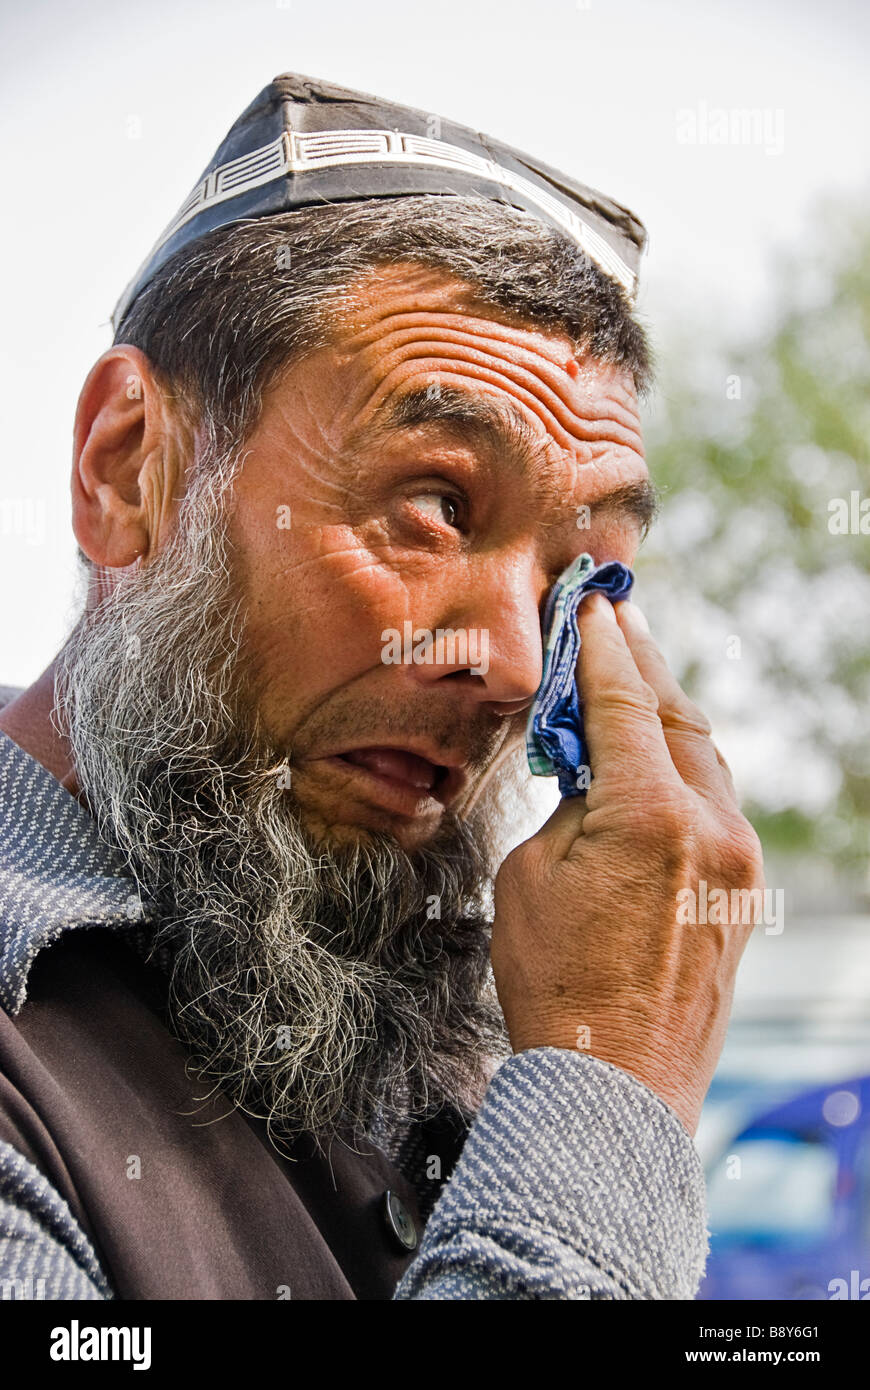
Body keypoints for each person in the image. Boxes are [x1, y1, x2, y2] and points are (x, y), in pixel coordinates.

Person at [0, 72, 763, 1300]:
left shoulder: (408, 1007)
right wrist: (604, 1088)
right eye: (438, 505)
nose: (516, 667)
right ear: (126, 466)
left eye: (579, 578)